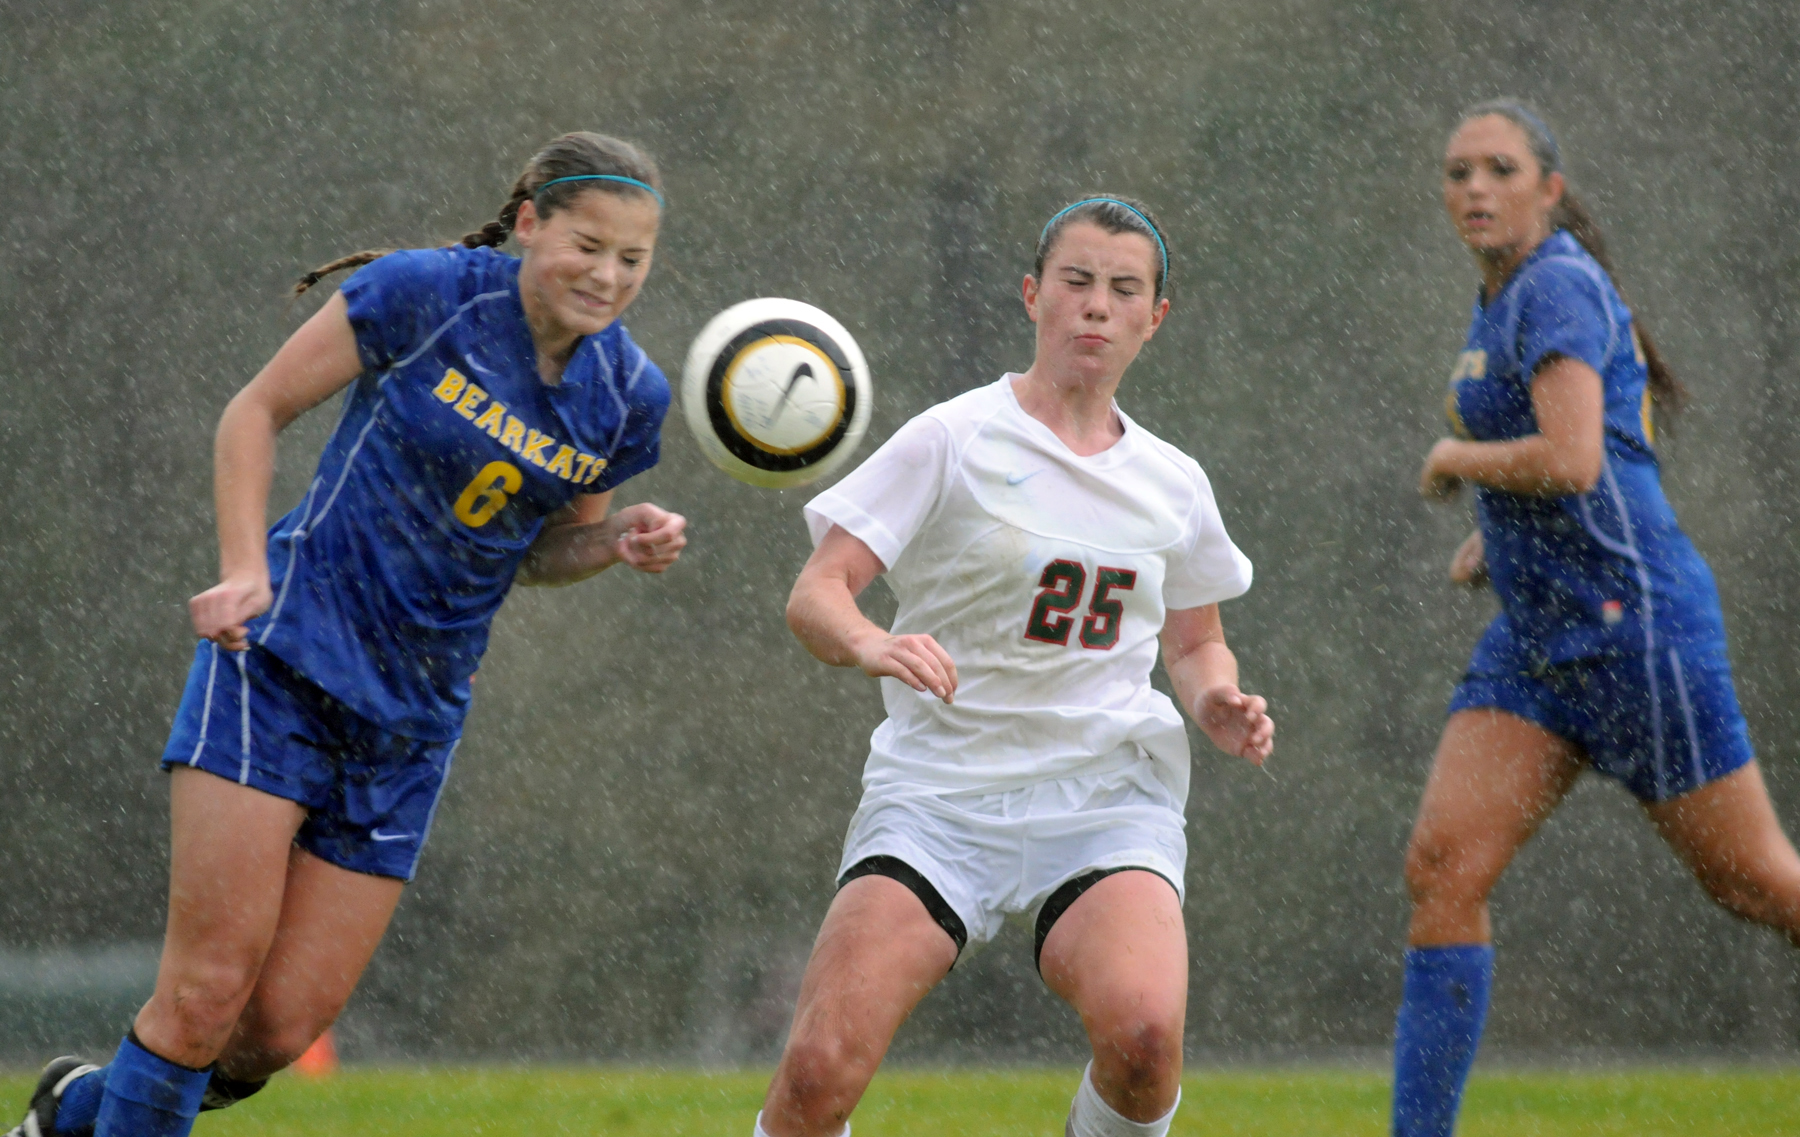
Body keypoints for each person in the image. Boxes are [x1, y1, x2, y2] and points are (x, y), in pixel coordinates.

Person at [8, 131, 687, 1137]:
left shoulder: (629, 397)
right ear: (532, 223)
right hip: (279, 662)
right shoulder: (428, 295)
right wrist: (244, 569)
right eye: (588, 244)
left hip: (410, 725)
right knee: (203, 994)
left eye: (633, 259)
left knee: (271, 1030)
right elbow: (254, 411)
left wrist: (616, 543)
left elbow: (543, 553)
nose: (608, 275)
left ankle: (78, 1113)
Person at [753, 196, 1273, 1137]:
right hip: (939, 794)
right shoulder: (950, 438)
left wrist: (1215, 699)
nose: (1096, 306)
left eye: (1124, 290)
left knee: (1147, 1040)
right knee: (818, 1070)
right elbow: (817, 592)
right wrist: (873, 642)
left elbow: (1195, 641)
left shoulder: (1174, 481)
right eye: (1076, 282)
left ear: (1155, 318)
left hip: (1104, 793)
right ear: (1034, 295)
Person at [1392, 99, 1800, 1136]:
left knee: (1756, 886)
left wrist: (1457, 465)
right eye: (1457, 171)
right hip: (1537, 642)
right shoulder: (1506, 298)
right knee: (1443, 870)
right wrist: (1502, 535)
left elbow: (1571, 460)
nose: (1474, 187)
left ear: (1549, 188)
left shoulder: (1558, 284)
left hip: (1635, 633)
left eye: (1498, 168)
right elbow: (1604, 455)